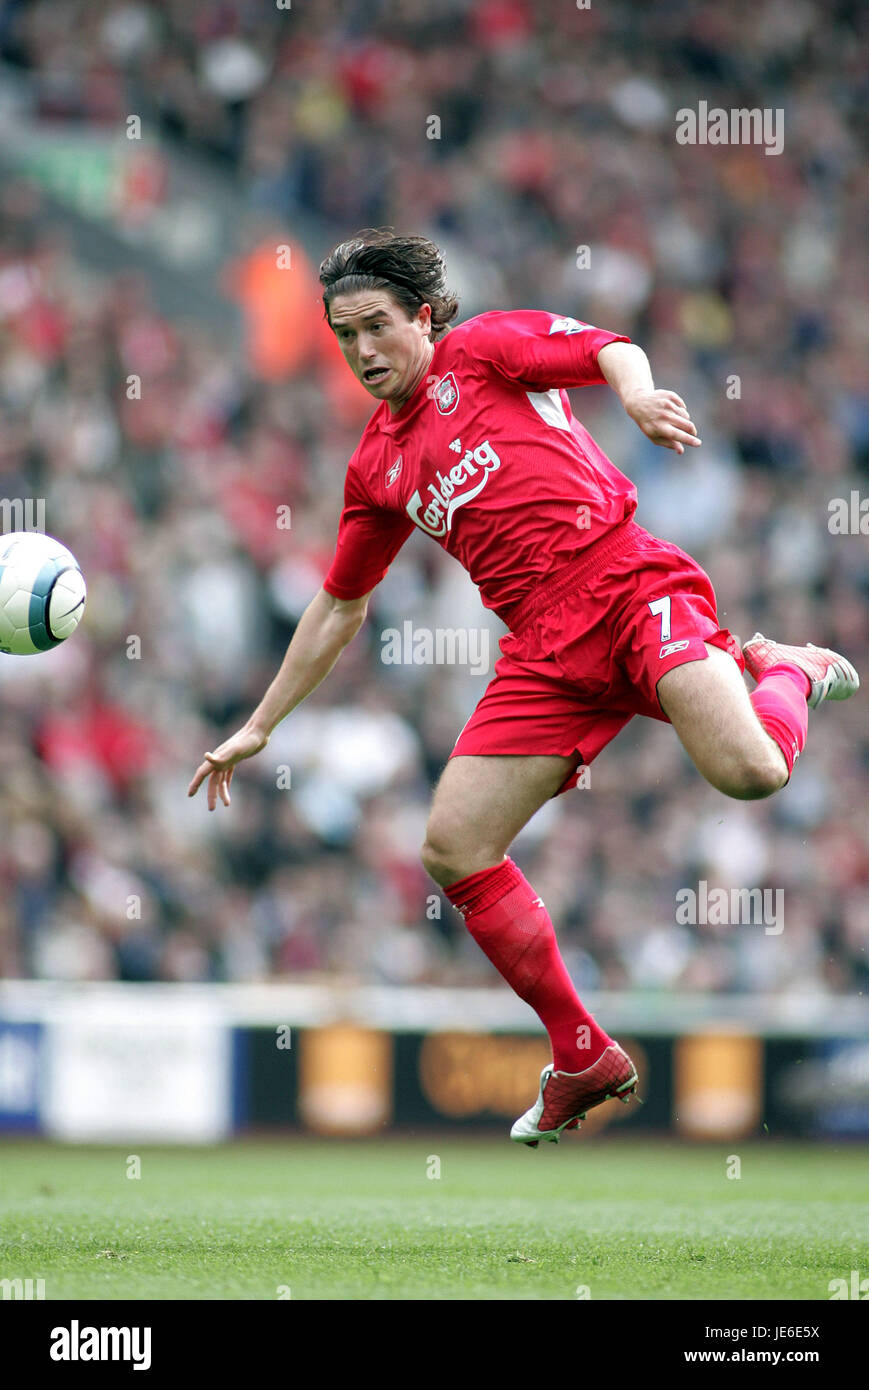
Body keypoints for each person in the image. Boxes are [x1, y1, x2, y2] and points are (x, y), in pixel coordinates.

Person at [188, 229, 859, 1146]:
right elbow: (339, 606)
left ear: (421, 317)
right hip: (544, 656)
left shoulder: (485, 351)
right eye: (344, 336)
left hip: (627, 585)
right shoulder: (375, 468)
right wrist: (260, 724)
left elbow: (604, 347)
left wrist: (636, 398)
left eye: (376, 326)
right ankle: (582, 1053)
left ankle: (787, 667)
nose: (363, 351)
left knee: (748, 775)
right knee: (453, 847)